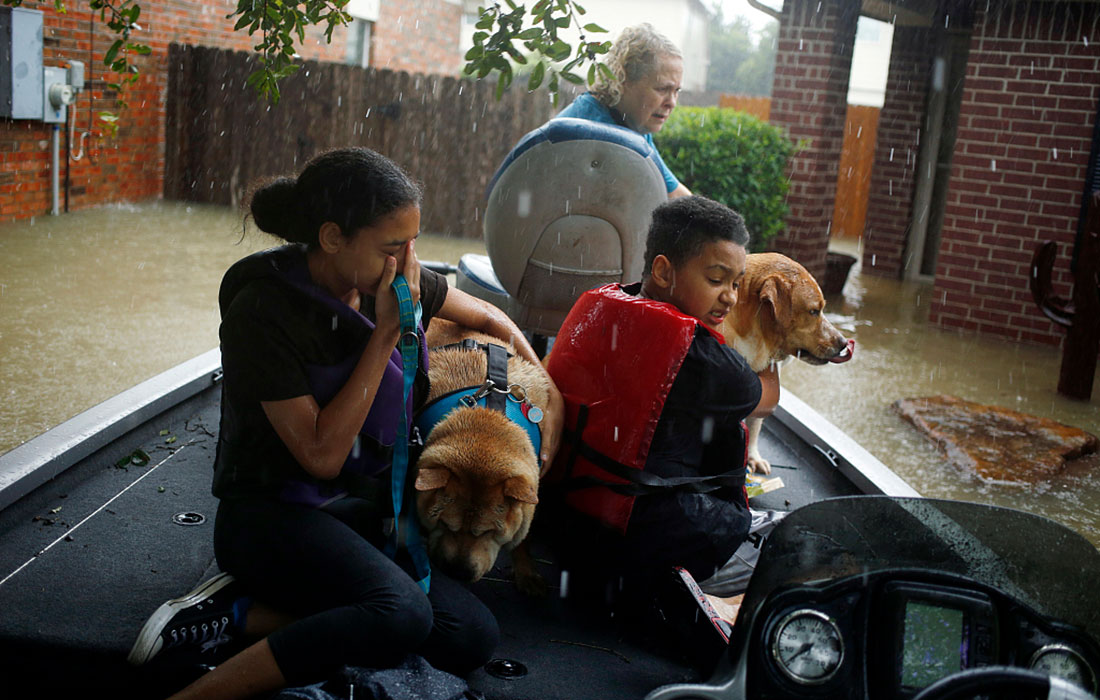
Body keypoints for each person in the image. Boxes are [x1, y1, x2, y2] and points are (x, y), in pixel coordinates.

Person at [127, 147, 564, 700]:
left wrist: (552, 396)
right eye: (393, 246)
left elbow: (490, 317)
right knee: (401, 615)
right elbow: (321, 457)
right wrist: (385, 333)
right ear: (333, 238)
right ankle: (205, 669)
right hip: (270, 516)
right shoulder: (264, 313)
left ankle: (255, 613)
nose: (409, 261)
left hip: (355, 510)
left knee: (470, 636)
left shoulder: (393, 277)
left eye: (413, 244)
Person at [545, 195, 781, 609]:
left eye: (737, 284)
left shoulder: (607, 302)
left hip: (568, 526)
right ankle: (714, 599)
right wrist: (775, 337)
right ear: (663, 270)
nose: (729, 297)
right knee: (792, 544)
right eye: (716, 280)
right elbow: (765, 397)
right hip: (636, 544)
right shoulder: (706, 361)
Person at [555, 23, 692, 199]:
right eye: (662, 89)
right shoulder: (600, 131)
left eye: (676, 91)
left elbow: (676, 195)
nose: (671, 103)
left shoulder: (631, 122)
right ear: (623, 80)